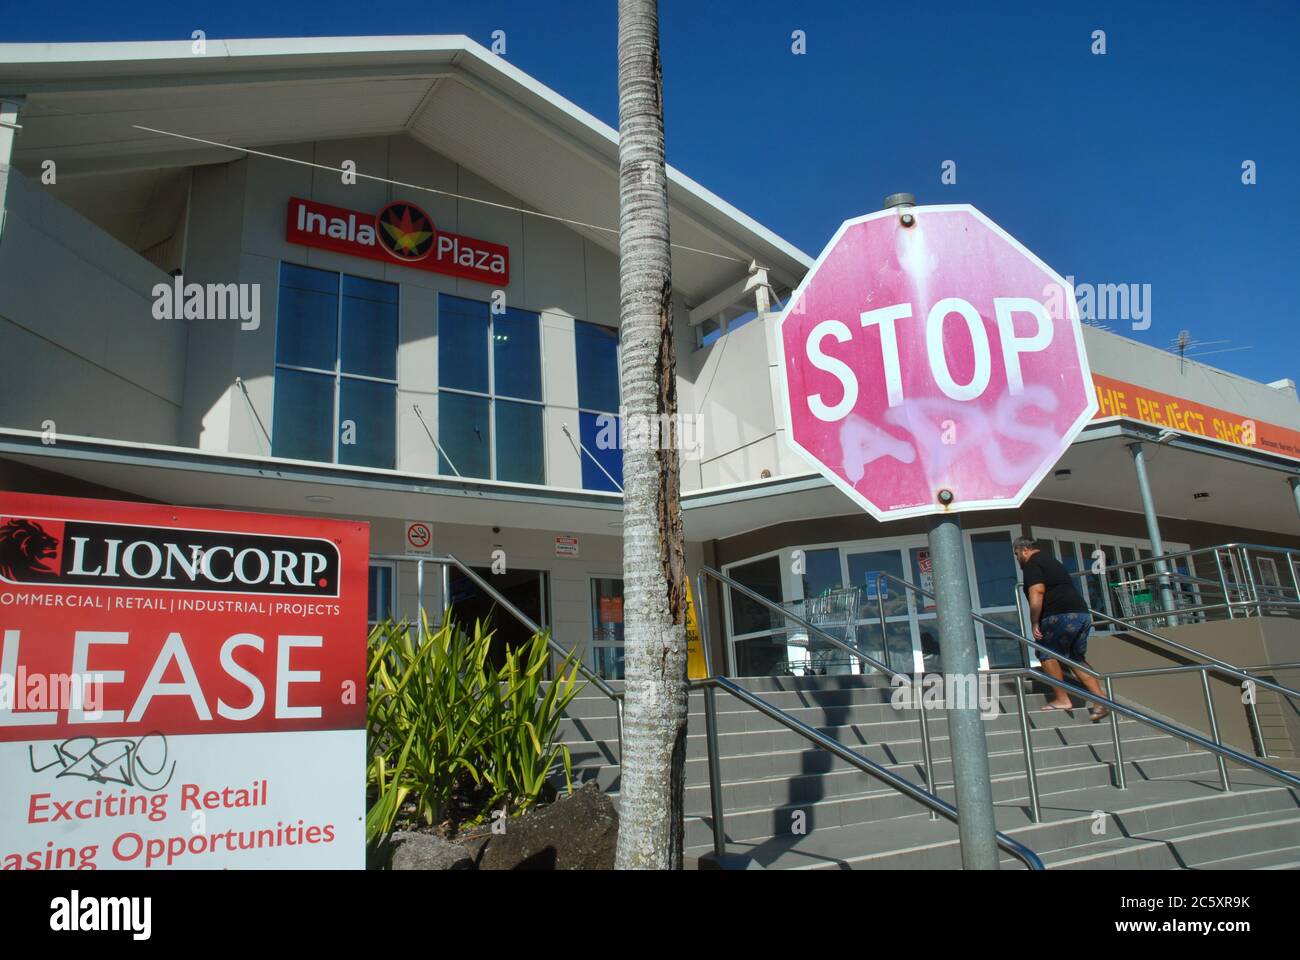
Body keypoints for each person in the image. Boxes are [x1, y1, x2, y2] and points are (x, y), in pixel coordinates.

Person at [1013, 537, 1109, 722]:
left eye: (1016, 554)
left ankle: (1062, 699)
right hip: (1080, 614)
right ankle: (1100, 700)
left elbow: (1037, 591)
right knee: (1075, 658)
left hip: (1058, 616)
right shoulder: (1052, 562)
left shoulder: (1033, 564)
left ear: (1024, 550)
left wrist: (1034, 620)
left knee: (1045, 653)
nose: (1017, 559)